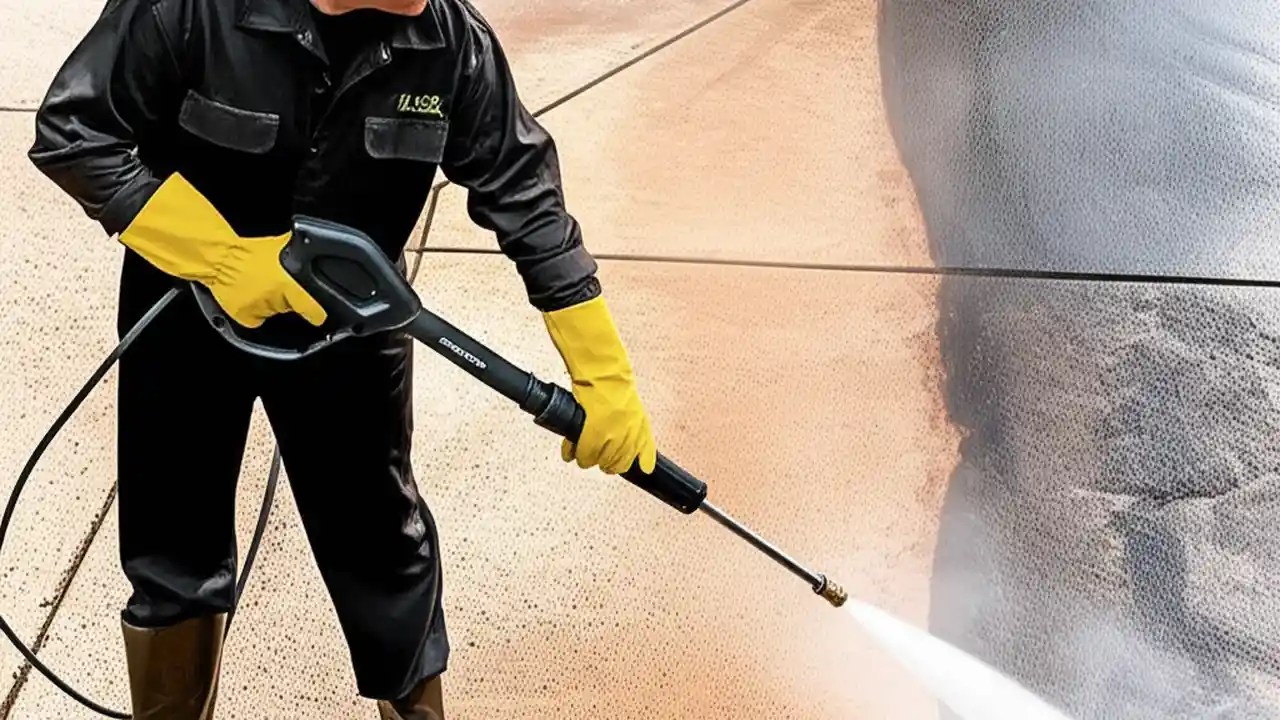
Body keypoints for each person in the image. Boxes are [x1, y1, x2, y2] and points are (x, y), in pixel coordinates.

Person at [27, 0, 659, 717]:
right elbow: (74, 133)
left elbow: (526, 196)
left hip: (351, 326)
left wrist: (604, 375)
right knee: (174, 551)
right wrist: (223, 258)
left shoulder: (452, 44)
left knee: (385, 553)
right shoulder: (191, 9)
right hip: (184, 314)